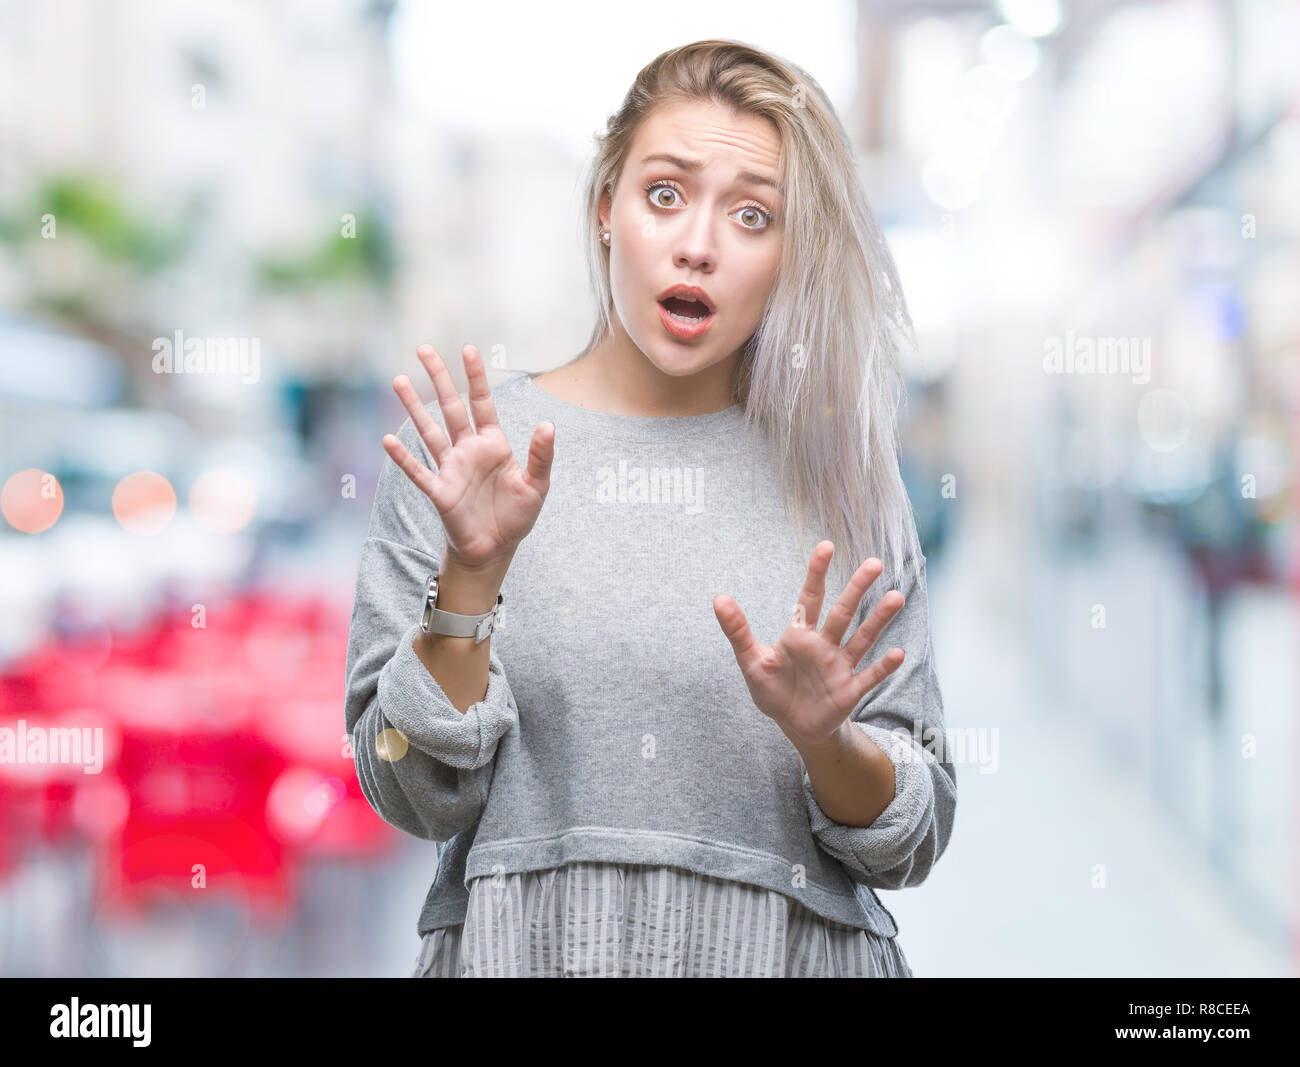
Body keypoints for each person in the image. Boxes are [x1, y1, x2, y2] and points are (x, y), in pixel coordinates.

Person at [344, 39, 955, 978]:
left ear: (794, 251)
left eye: (754, 214)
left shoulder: (845, 481)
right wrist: (471, 580)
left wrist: (827, 738)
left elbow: (913, 833)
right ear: (605, 208)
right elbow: (406, 787)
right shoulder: (468, 450)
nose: (698, 244)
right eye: (664, 194)